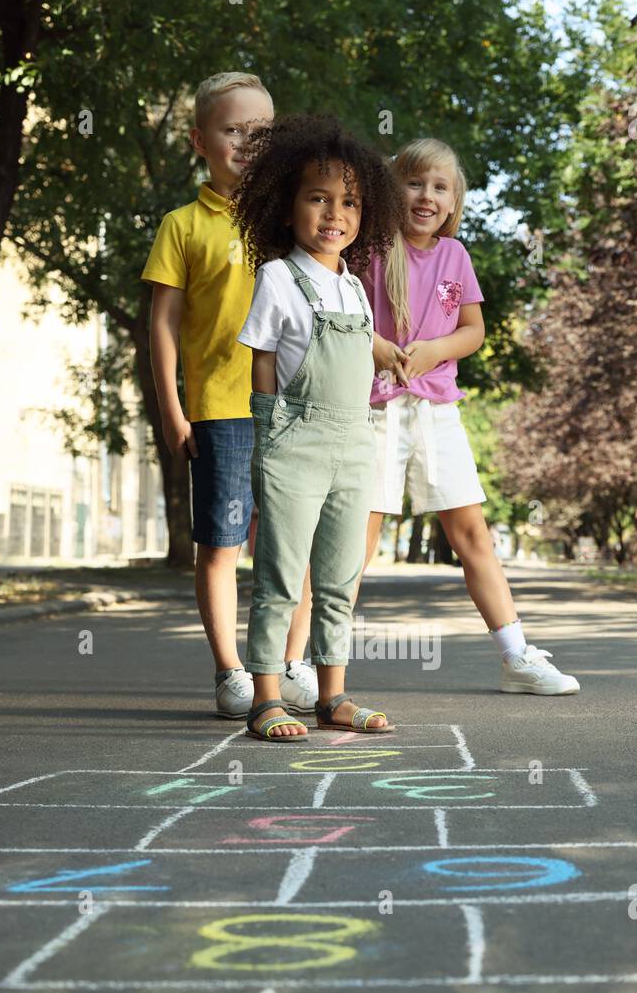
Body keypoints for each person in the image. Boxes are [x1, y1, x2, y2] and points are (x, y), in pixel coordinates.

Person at [357, 138, 580, 695]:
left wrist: (435, 350)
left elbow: (474, 330)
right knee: (356, 541)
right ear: (391, 191)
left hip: (436, 412)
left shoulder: (456, 256)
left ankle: (516, 656)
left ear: (454, 202)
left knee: (472, 534)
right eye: (413, 183)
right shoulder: (369, 248)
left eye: (439, 188)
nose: (425, 196)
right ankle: (310, 662)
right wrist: (381, 346)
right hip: (375, 408)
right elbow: (344, 318)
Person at [141, 72, 319, 720]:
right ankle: (231, 670)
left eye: (260, 132)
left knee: (289, 544)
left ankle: (291, 660)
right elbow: (162, 323)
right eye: (232, 129)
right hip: (219, 409)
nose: (247, 141)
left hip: (295, 411)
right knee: (220, 543)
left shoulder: (293, 219)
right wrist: (171, 408)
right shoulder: (182, 226)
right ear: (199, 140)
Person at [230, 114, 404, 740]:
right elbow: (264, 356)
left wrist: (387, 352)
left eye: (350, 202)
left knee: (339, 579)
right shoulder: (279, 276)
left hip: (354, 444)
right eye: (319, 198)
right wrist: (269, 429)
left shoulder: (355, 286)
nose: (335, 214)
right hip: (294, 441)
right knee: (280, 573)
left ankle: (333, 695)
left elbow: (361, 349)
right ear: (287, 206)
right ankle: (266, 696)